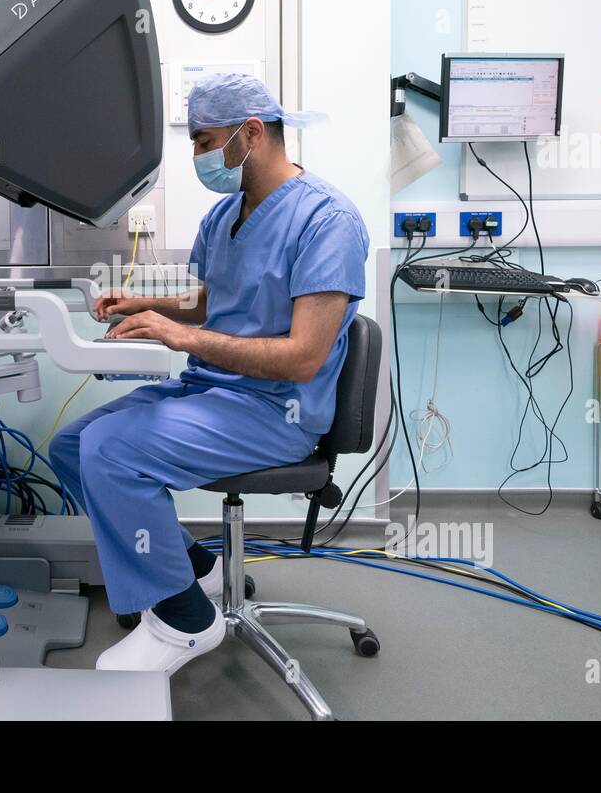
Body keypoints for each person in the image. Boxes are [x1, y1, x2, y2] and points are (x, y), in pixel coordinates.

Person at [49, 73, 370, 676]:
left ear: (252, 133)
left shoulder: (329, 221)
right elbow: (204, 301)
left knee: (110, 451)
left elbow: (303, 356)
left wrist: (180, 337)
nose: (198, 157)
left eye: (204, 142)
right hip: (214, 389)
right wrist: (144, 302)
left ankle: (185, 624)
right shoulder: (224, 216)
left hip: (278, 409)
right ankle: (197, 570)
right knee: (71, 445)